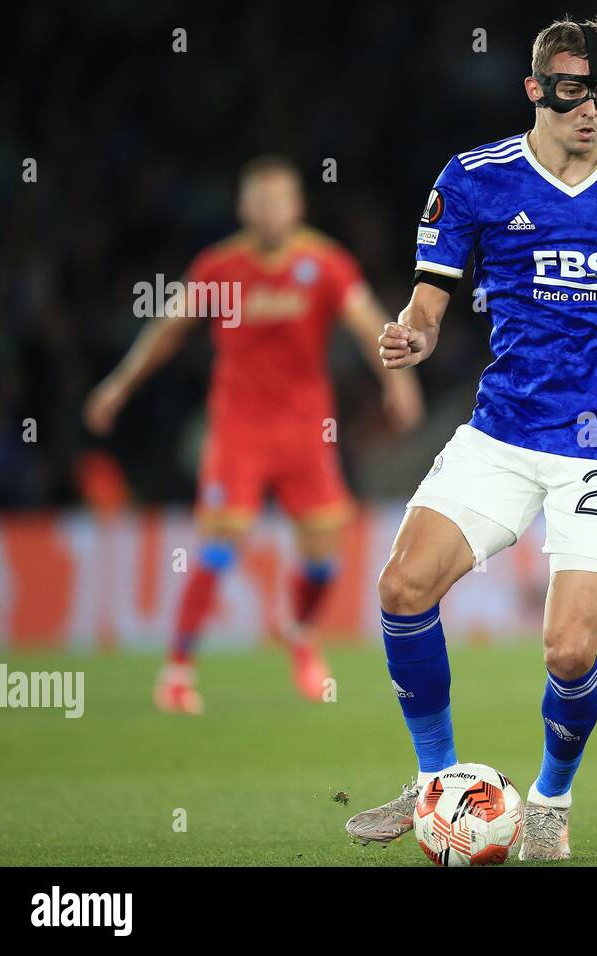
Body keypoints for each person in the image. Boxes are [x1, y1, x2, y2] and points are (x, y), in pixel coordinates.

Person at [343, 16, 597, 861]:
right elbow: (429, 304)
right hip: (503, 429)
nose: (592, 108)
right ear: (536, 88)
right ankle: (437, 781)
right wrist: (410, 336)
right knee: (402, 589)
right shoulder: (474, 180)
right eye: (575, 90)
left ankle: (550, 797)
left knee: (570, 648)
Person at [83, 156, 423, 714]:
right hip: (238, 430)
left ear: (298, 206)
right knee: (220, 544)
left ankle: (300, 633)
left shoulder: (325, 263)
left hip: (307, 432)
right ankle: (177, 668)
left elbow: (369, 324)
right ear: (243, 208)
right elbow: (169, 329)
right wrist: (119, 386)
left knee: (323, 559)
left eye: (280, 200)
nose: (270, 212)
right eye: (259, 202)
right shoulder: (220, 268)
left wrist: (400, 382)